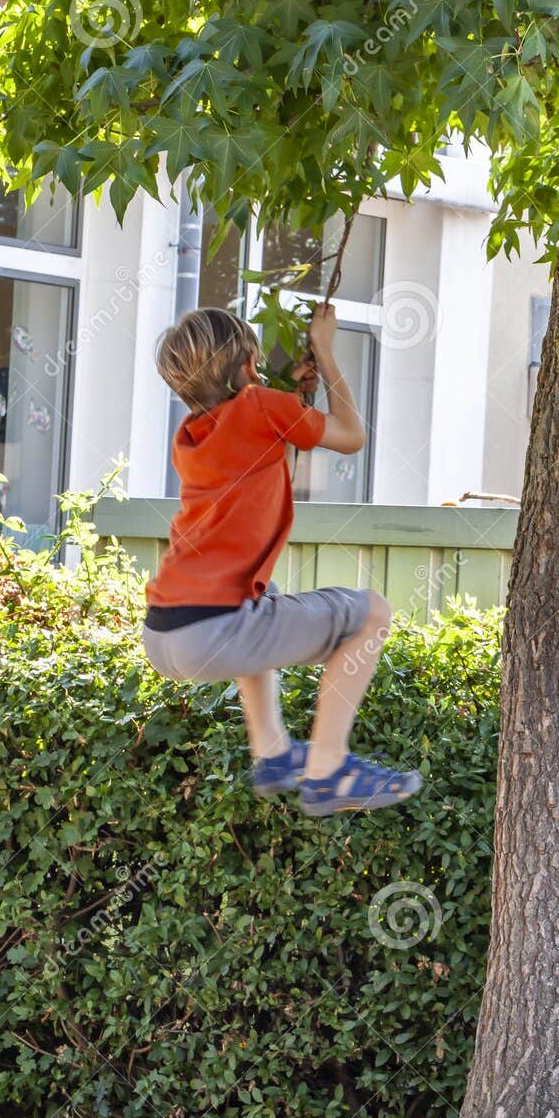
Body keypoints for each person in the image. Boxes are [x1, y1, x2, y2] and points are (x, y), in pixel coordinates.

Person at [142, 303, 422, 817]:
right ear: (248, 364)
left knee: (262, 596)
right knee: (373, 613)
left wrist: (300, 397)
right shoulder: (260, 407)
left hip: (164, 633)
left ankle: (271, 751)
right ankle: (328, 770)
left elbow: (265, 444)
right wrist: (327, 351)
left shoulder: (193, 434)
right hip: (213, 629)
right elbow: (351, 437)